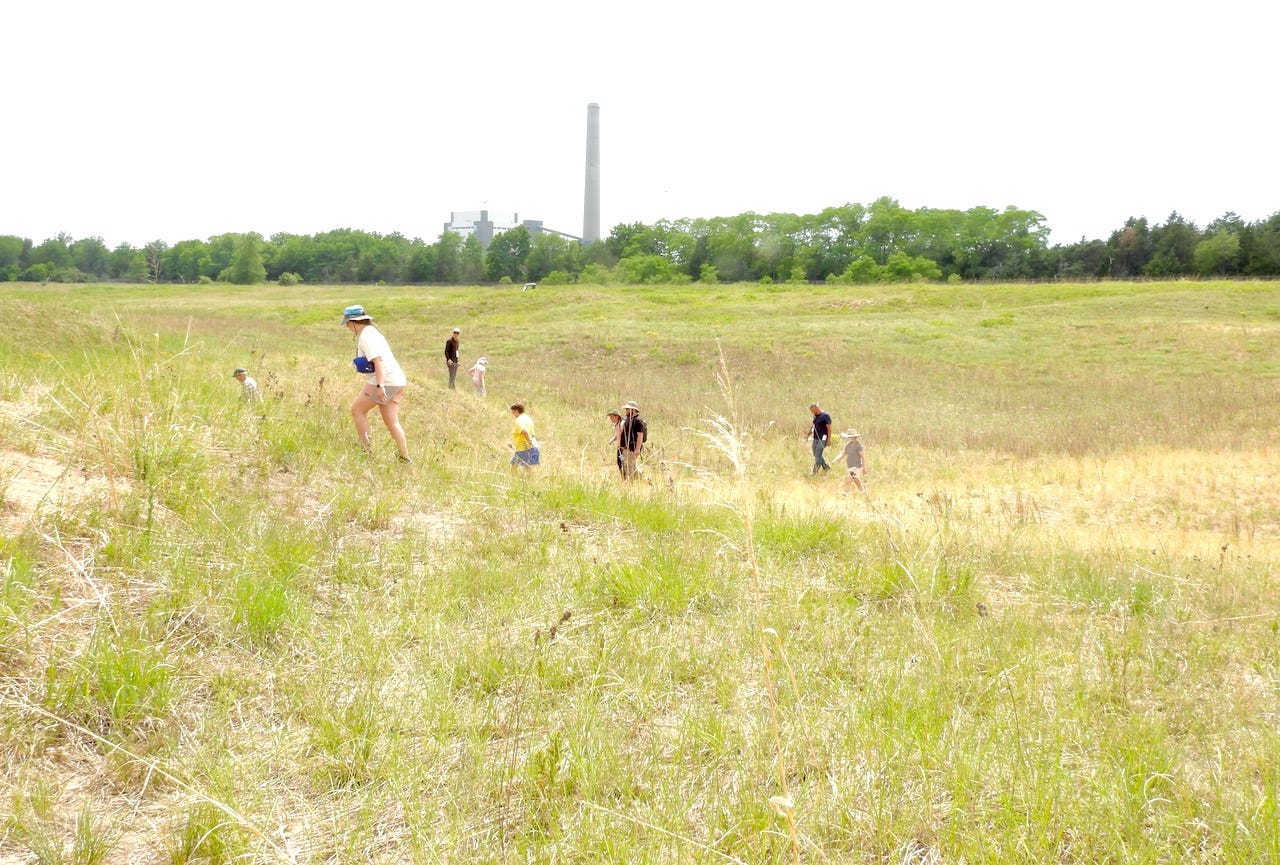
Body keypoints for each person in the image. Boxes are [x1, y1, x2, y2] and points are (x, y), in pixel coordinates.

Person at [342, 305, 411, 462]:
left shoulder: (366, 336)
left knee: (357, 410)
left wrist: (380, 387)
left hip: (384, 381)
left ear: (353, 322)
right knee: (392, 421)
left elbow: (378, 362)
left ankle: (366, 451)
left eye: (347, 323)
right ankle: (404, 457)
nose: (347, 327)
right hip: (397, 380)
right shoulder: (372, 331)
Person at [833, 429, 867, 493]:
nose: (849, 438)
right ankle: (862, 491)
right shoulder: (848, 445)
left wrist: (864, 468)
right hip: (850, 466)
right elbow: (843, 454)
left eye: (850, 437)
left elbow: (863, 457)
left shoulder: (858, 446)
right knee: (856, 479)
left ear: (854, 437)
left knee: (849, 479)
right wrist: (836, 460)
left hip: (857, 466)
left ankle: (845, 492)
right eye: (848, 437)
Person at [619, 400, 647, 479]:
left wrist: (637, 449)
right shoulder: (628, 419)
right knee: (627, 466)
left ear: (633, 410)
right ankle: (642, 480)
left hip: (632, 448)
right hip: (625, 448)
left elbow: (640, 435)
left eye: (628, 409)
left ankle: (633, 483)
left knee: (631, 467)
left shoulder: (638, 421)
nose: (626, 411)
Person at [509, 402, 539, 469]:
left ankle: (514, 479)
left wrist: (529, 442)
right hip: (534, 446)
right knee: (528, 468)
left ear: (517, 410)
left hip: (524, 447)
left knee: (513, 467)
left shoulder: (518, 420)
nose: (513, 414)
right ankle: (531, 479)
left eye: (513, 412)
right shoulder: (527, 418)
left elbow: (524, 431)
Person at [807, 403, 833, 474]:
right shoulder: (815, 416)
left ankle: (815, 472)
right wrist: (808, 434)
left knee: (818, 454)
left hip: (823, 439)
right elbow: (813, 426)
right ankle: (826, 467)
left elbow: (829, 428)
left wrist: (828, 439)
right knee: (815, 454)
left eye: (813, 411)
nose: (812, 413)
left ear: (817, 409)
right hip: (815, 438)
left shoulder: (826, 416)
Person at [606, 408, 624, 476]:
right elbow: (617, 435)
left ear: (617, 416)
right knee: (620, 463)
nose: (610, 419)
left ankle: (626, 478)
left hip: (623, 449)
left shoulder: (622, 424)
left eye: (611, 417)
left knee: (623, 463)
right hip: (619, 448)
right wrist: (612, 440)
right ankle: (623, 478)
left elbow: (624, 436)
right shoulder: (617, 424)